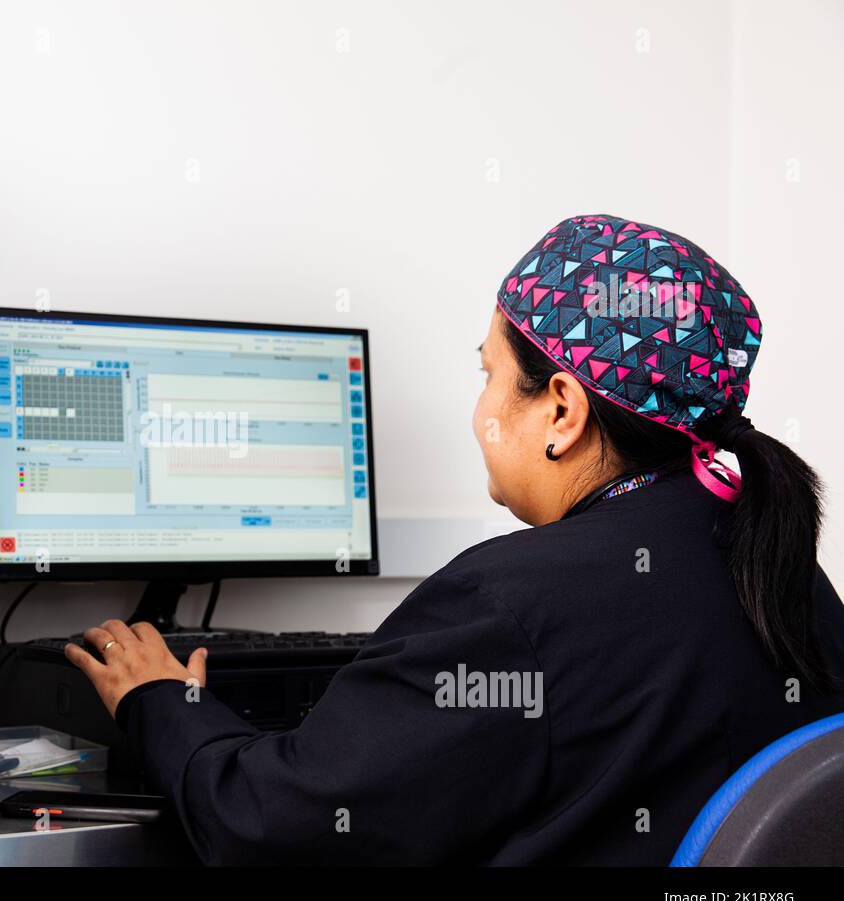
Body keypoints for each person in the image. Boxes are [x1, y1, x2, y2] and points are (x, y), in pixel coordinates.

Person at [64, 214, 844, 865]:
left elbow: (269, 826)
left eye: (490, 377)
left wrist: (161, 701)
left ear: (562, 410)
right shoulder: (784, 568)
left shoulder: (509, 605)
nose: (481, 413)